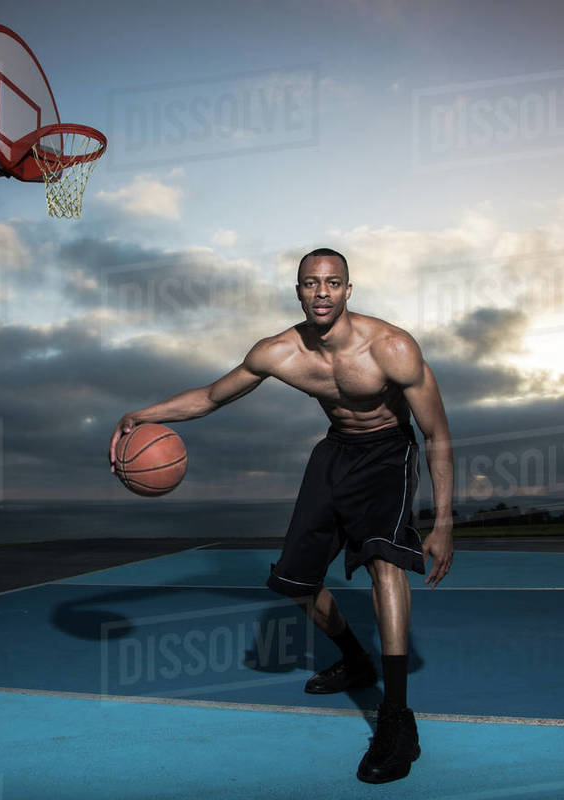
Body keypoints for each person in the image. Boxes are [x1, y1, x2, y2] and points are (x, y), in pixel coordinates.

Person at [109, 247, 455, 784]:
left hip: (389, 450)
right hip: (335, 451)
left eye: (333, 283)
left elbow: (436, 434)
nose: (322, 292)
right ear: (298, 291)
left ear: (347, 290)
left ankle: (396, 719)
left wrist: (446, 521)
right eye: (311, 283)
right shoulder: (278, 352)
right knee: (296, 581)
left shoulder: (392, 347)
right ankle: (354, 659)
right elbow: (208, 397)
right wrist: (141, 414)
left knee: (383, 560)